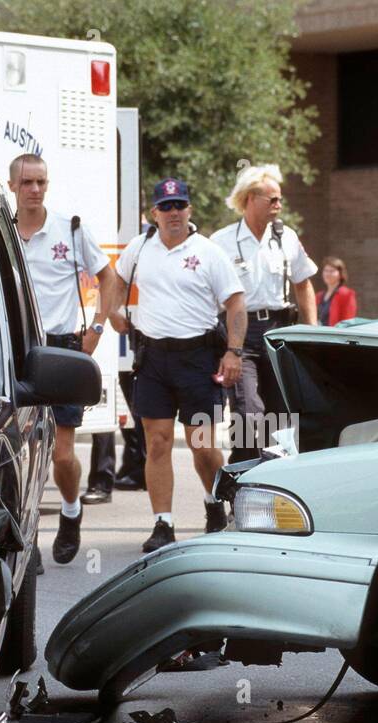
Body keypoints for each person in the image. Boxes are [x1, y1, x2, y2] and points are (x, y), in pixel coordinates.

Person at [110, 178, 246, 552]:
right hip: (153, 357)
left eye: (179, 205)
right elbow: (116, 281)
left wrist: (233, 351)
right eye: (166, 207)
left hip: (197, 357)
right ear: (153, 214)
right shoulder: (139, 249)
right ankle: (163, 524)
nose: (173, 213)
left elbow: (235, 303)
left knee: (201, 443)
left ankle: (214, 502)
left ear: (189, 210)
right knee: (156, 442)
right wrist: (111, 312)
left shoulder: (208, 252)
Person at [11, 152, 118, 565]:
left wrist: (96, 327)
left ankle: (71, 511)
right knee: (20, 451)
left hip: (62, 349)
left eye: (41, 182)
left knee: (61, 455)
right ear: (13, 188)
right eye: (27, 183)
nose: (35, 190)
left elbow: (107, 278)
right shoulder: (2, 230)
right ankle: (29, 536)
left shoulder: (70, 231)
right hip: (19, 349)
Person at [209, 165, 317, 462]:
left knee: (281, 418)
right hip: (239, 335)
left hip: (279, 331)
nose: (279, 206)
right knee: (248, 415)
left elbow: (303, 284)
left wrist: (311, 333)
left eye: (279, 199)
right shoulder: (221, 242)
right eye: (272, 200)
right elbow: (206, 295)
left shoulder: (287, 237)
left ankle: (274, 489)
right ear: (249, 199)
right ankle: (240, 481)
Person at [316, 257, 357, 326]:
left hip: (335, 335)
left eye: (332, 271)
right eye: (326, 270)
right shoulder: (319, 295)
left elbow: (348, 322)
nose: (328, 274)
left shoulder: (347, 294)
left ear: (340, 274)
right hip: (319, 334)